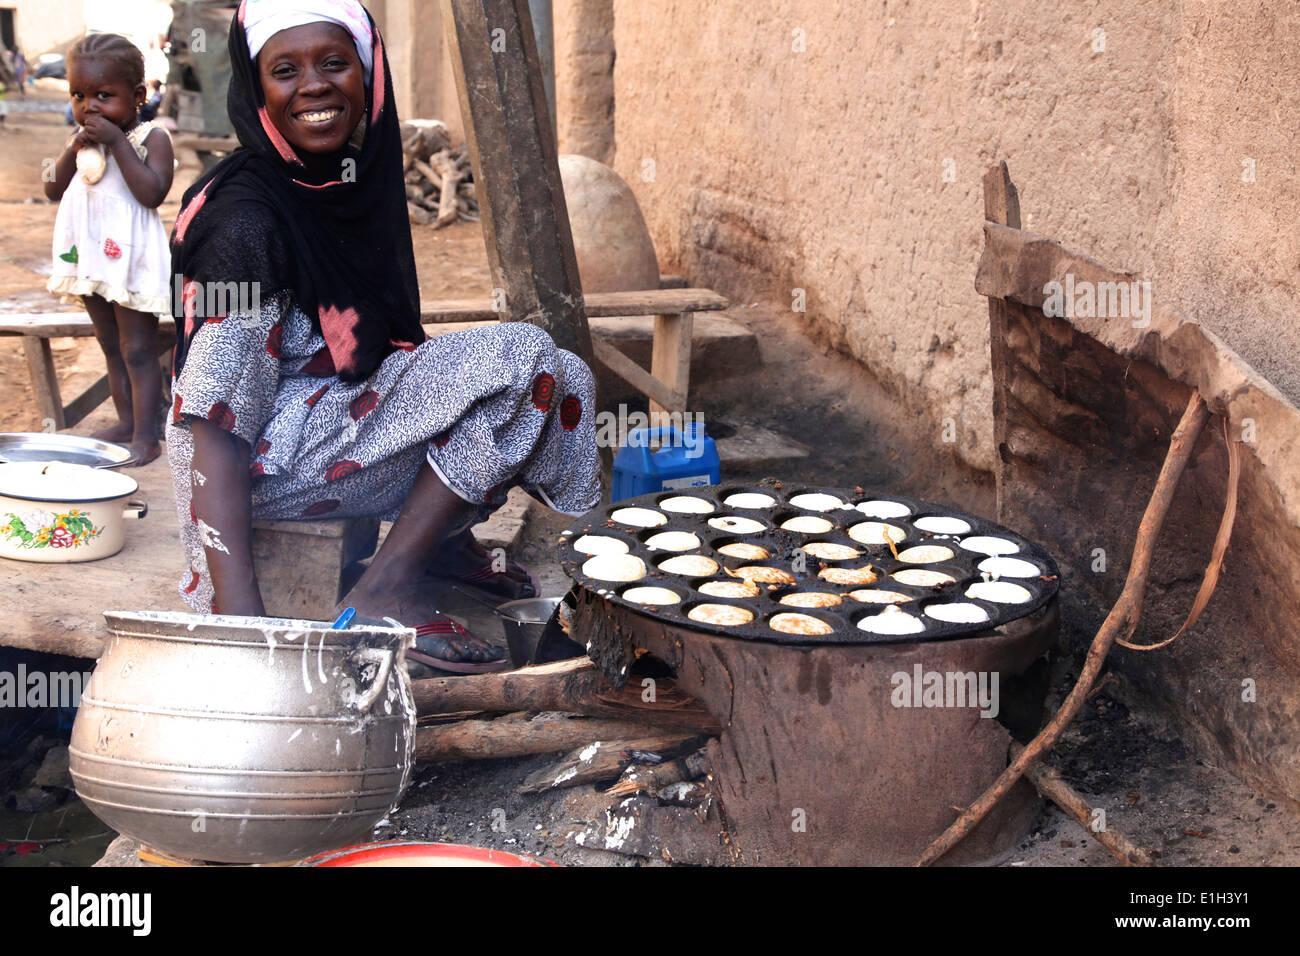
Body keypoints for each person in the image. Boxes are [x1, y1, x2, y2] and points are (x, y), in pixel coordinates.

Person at [165, 0, 600, 673]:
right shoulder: (245, 224)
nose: (314, 84)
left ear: (368, 74)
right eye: (285, 70)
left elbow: (379, 343)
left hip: (324, 418)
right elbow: (215, 422)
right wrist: (241, 622)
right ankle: (384, 588)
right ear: (256, 90)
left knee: (558, 375)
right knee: (519, 360)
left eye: (335, 63)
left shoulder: (341, 179)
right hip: (255, 468)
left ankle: (440, 549)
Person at [45, 33, 175, 466]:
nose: (90, 107)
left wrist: (117, 144)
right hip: (89, 258)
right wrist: (73, 148)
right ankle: (124, 421)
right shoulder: (82, 140)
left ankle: (146, 435)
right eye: (79, 95)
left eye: (104, 95)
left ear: (137, 95)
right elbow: (51, 188)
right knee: (109, 344)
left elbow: (152, 192)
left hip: (130, 261)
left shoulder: (149, 139)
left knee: (138, 348)